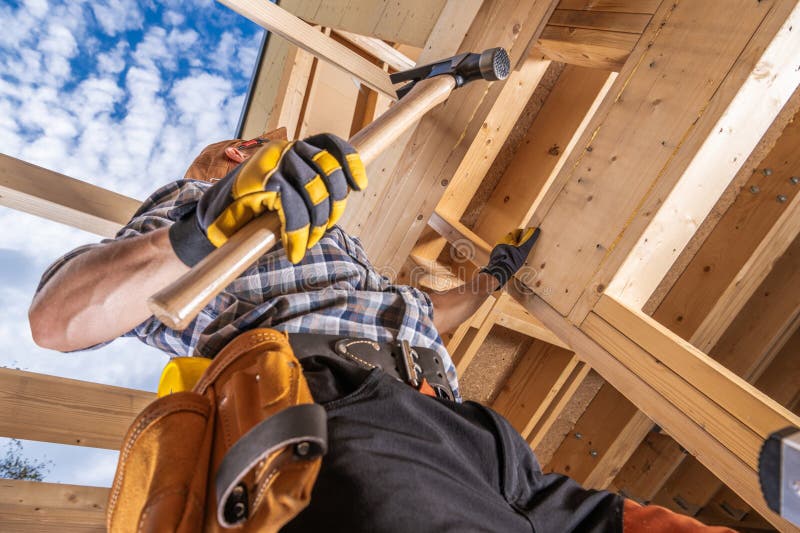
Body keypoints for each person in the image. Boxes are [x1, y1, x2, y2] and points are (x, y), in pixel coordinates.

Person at [29, 132, 734, 532]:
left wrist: (492, 276)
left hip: (480, 440)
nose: (262, 149)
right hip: (339, 417)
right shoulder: (187, 216)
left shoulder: (326, 236)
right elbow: (56, 319)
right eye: (239, 148)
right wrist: (201, 225)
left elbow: (426, 317)